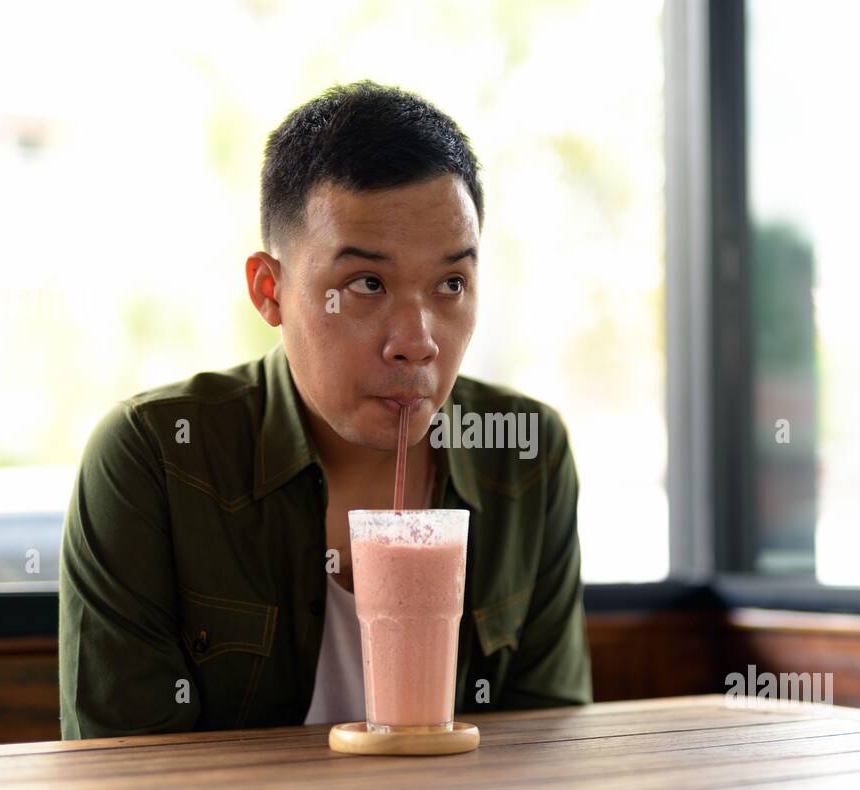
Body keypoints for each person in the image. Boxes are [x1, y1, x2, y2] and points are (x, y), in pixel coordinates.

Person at [58, 80, 593, 739]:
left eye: (451, 283)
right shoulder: (155, 459)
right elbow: (123, 773)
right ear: (269, 289)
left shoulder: (525, 452)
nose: (417, 342)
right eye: (366, 284)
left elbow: (549, 748)